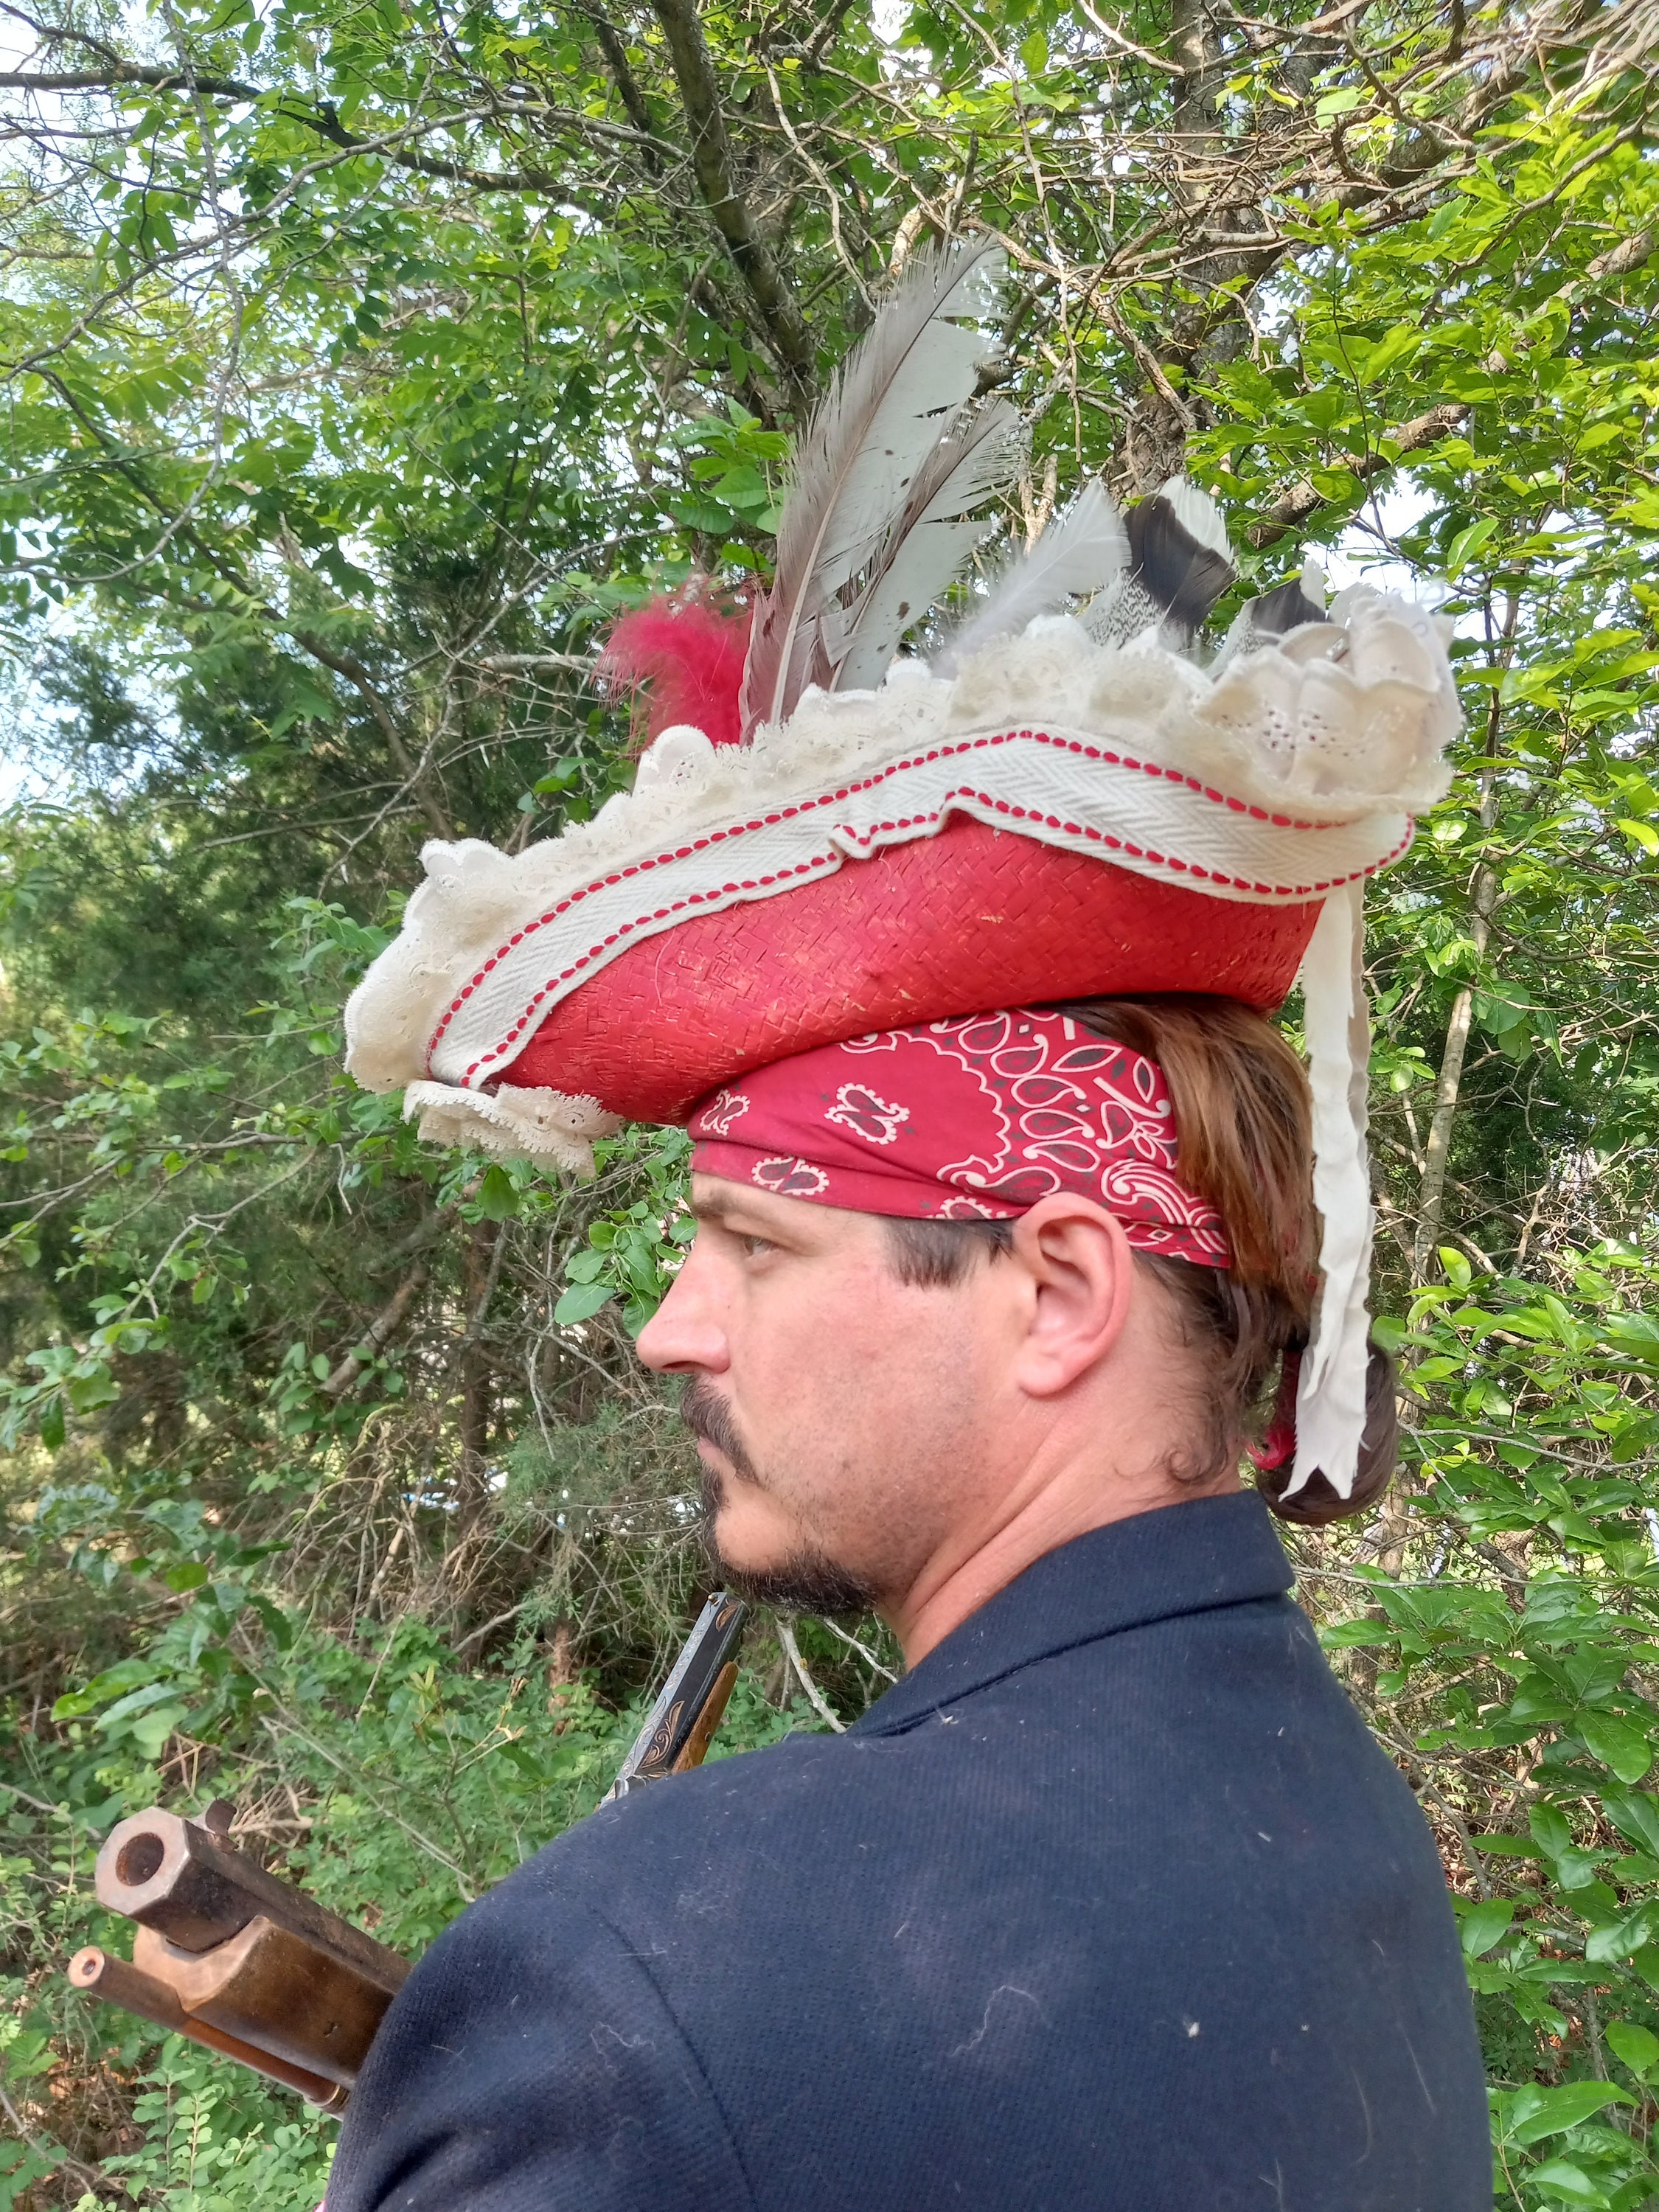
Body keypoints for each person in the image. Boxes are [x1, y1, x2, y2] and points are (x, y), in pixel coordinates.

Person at [332, 239, 1492, 2205]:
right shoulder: (1344, 1829)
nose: (666, 1330)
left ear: (1054, 1290)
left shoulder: (642, 1995)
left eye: (754, 1243)